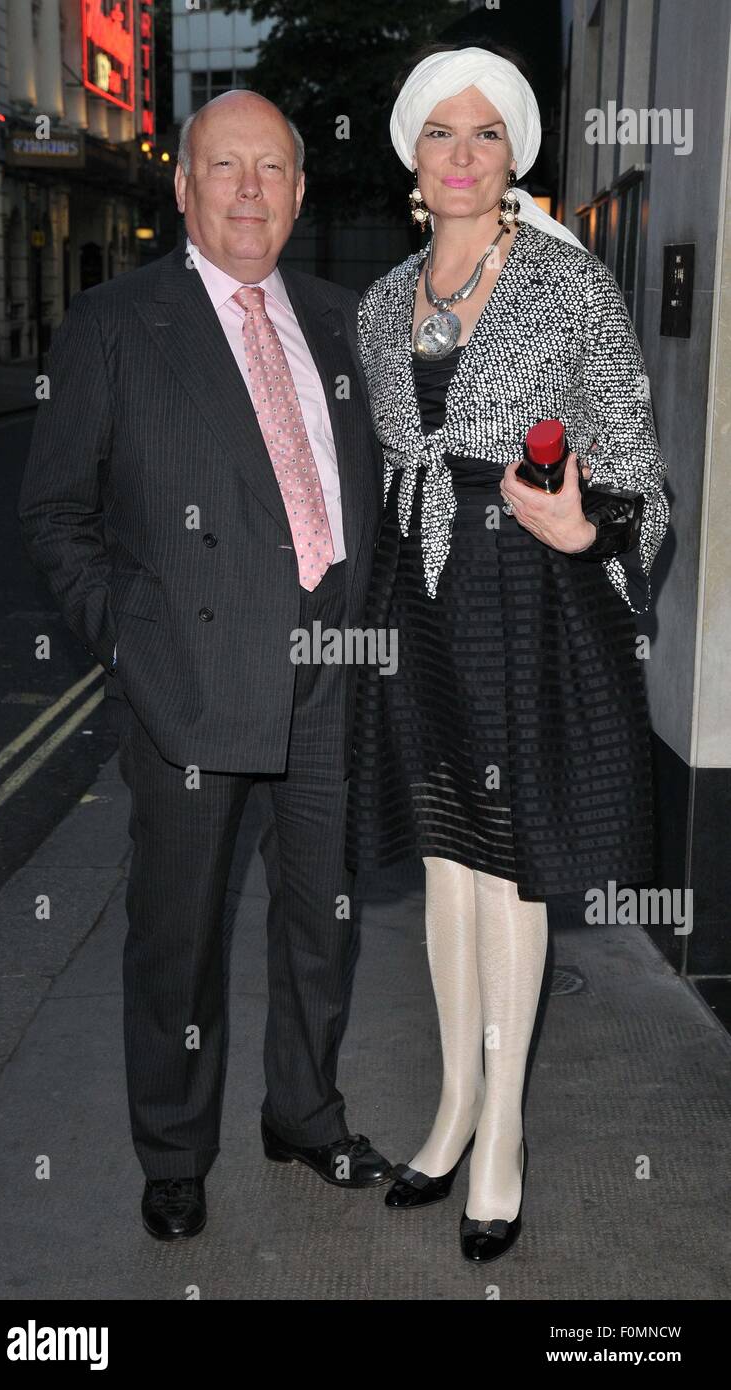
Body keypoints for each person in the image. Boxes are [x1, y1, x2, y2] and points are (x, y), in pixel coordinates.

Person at [18, 89, 392, 1242]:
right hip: (193, 680)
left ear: (296, 191)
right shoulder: (117, 323)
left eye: (271, 169)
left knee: (321, 917)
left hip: (333, 665)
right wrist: (130, 642)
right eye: (223, 167)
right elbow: (55, 514)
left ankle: (304, 1111)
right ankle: (175, 1149)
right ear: (182, 188)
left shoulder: (343, 320)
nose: (247, 190)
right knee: (177, 935)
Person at [346, 44, 670, 1263]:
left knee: (511, 861)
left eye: (488, 134)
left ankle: (504, 1136)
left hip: (524, 594)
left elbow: (638, 464)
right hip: (422, 602)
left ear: (516, 156)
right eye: (443, 133)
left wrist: (590, 527)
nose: (466, 154)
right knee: (443, 859)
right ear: (413, 160)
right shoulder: (381, 306)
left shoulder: (570, 287)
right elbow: (386, 473)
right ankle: (452, 1104)